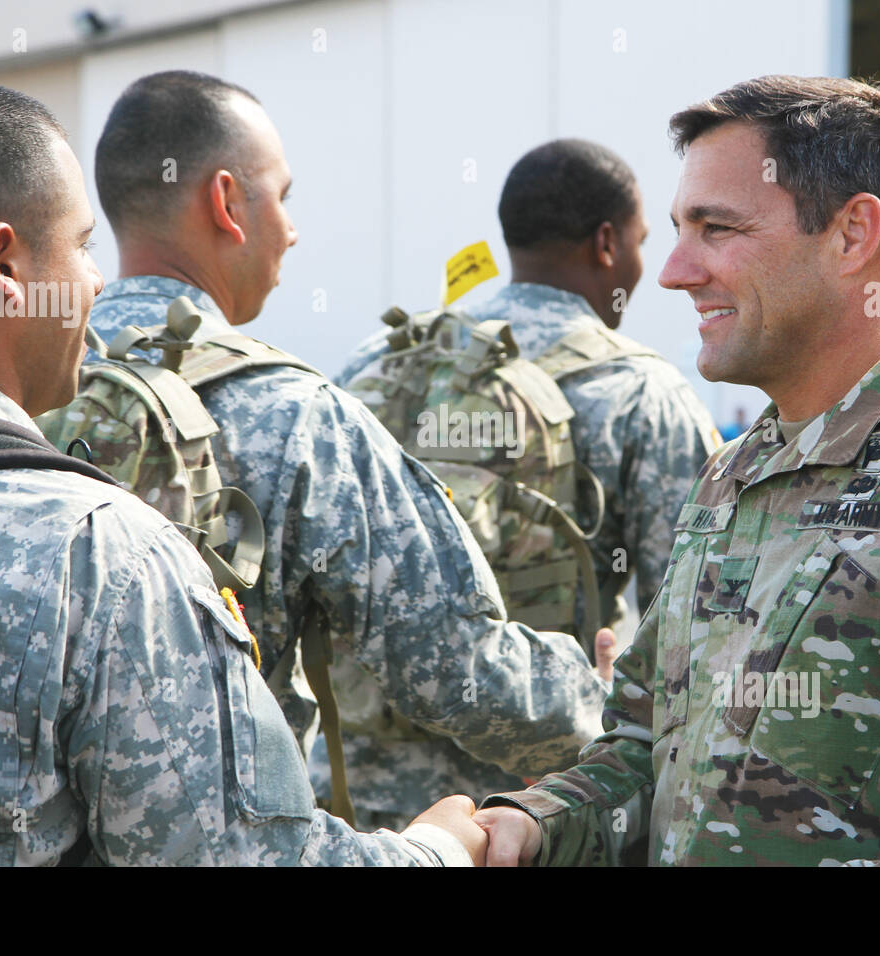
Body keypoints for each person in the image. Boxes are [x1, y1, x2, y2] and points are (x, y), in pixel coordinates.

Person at [0, 72, 485, 866]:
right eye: (81, 244)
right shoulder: (99, 555)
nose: (98, 282)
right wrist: (438, 849)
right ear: (3, 264)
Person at [474, 75, 880, 867]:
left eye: (718, 229)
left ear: (853, 235)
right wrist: (530, 826)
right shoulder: (734, 475)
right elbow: (645, 751)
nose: (675, 271)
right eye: (679, 229)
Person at [79, 70, 611, 832]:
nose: (291, 228)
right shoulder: (293, 411)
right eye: (282, 195)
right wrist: (601, 698)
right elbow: (457, 666)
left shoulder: (26, 383)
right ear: (227, 203)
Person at [338, 138, 720, 637]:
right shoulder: (642, 392)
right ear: (607, 244)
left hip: (368, 711)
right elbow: (690, 629)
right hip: (552, 711)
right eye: (641, 241)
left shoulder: (380, 358)